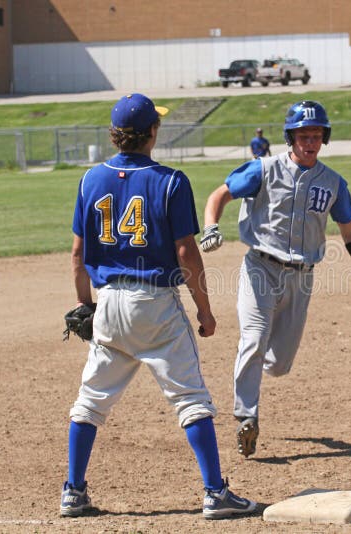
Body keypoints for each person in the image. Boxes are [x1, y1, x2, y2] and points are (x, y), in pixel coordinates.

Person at [60, 93, 257, 519]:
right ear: (152, 132)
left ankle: (73, 491)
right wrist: (204, 310)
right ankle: (215, 493)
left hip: (109, 302)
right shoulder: (171, 181)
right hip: (156, 304)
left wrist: (85, 305)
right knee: (190, 398)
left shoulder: (90, 180)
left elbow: (77, 255)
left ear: (116, 135)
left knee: (90, 401)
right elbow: (187, 253)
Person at [199, 100, 351, 458]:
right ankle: (246, 417)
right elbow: (219, 194)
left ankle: (257, 375)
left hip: (302, 278)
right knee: (253, 339)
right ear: (291, 137)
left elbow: (350, 232)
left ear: (324, 138)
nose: (310, 142)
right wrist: (211, 226)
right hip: (260, 267)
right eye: (303, 135)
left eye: (316, 135)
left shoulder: (333, 183)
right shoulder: (264, 169)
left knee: (280, 364)